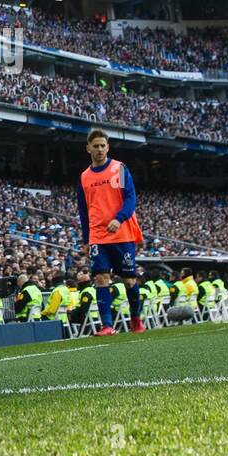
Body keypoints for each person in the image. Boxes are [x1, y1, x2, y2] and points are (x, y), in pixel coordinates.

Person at [77, 128, 144, 336]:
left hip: (121, 233)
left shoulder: (119, 169)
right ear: (88, 148)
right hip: (98, 235)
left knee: (129, 280)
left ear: (108, 147)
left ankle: (135, 318)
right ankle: (107, 325)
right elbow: (83, 209)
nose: (99, 149)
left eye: (102, 146)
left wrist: (119, 218)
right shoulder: (84, 177)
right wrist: (86, 238)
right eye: (95, 146)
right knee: (100, 278)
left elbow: (130, 198)